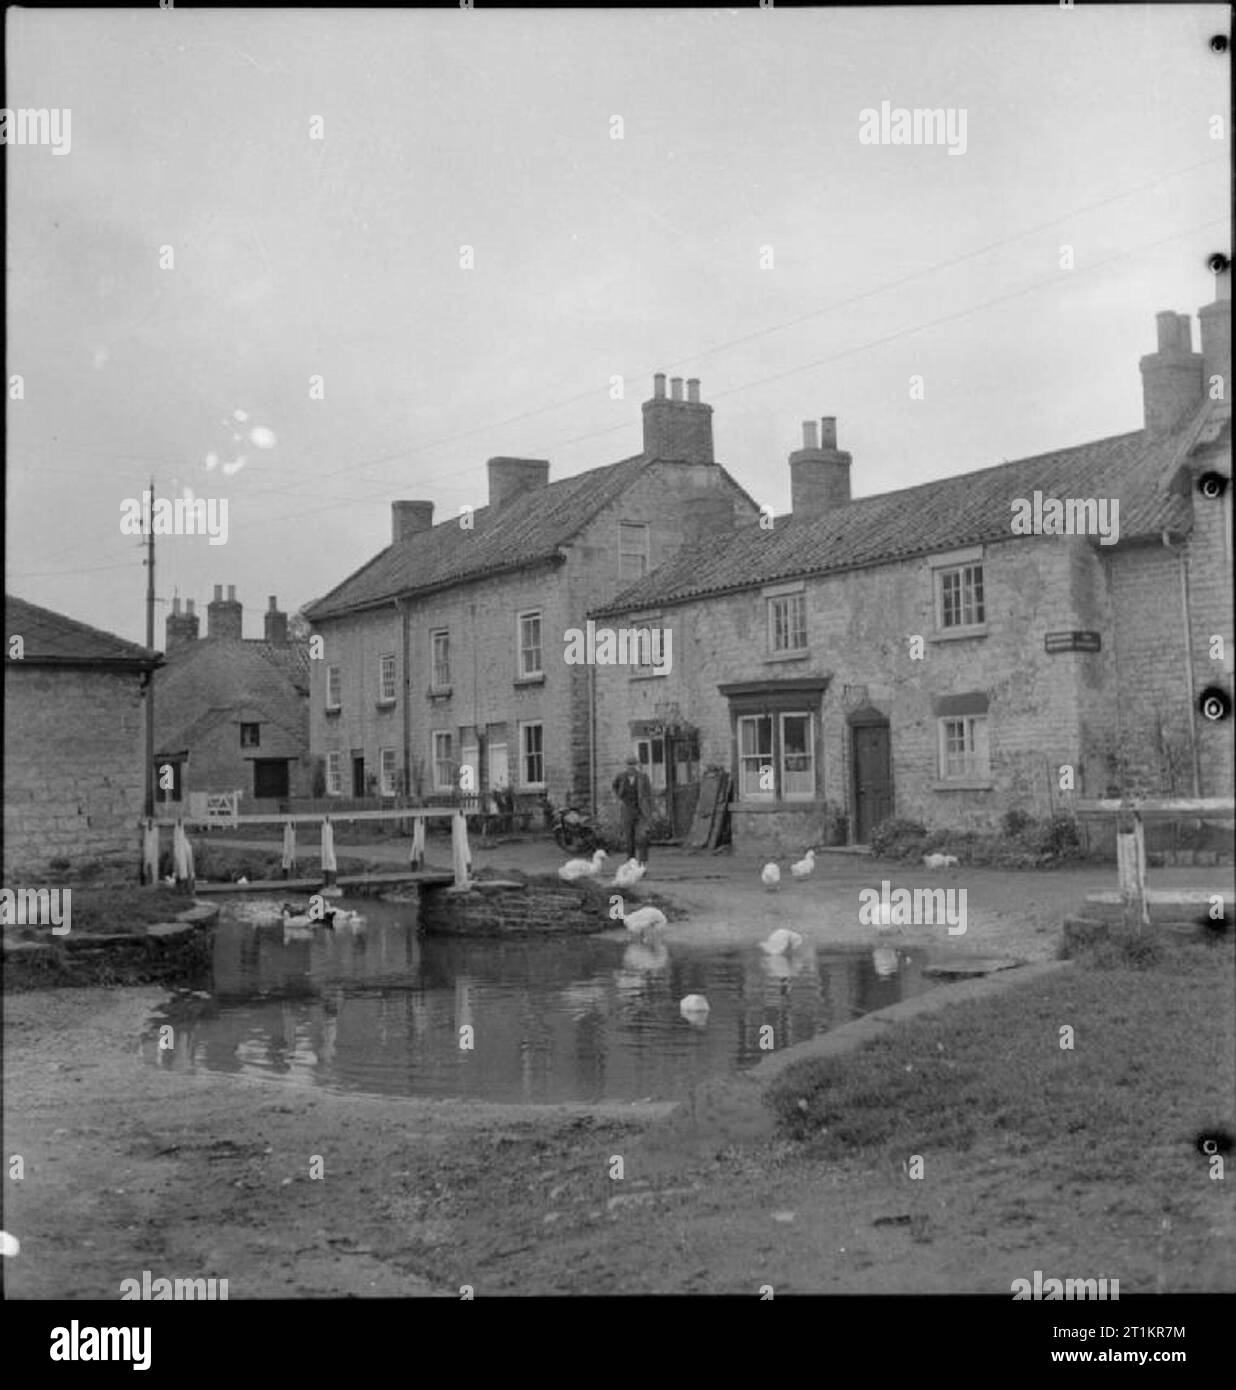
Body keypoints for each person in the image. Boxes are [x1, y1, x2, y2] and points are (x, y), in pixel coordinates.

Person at [612, 753, 654, 867]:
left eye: (633, 764)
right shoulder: (621, 777)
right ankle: (631, 863)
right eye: (629, 765)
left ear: (637, 765)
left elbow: (649, 795)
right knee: (629, 838)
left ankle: (643, 863)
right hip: (627, 810)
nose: (631, 767)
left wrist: (649, 812)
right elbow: (614, 786)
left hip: (641, 811)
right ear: (626, 766)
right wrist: (619, 799)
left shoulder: (643, 777)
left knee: (642, 837)